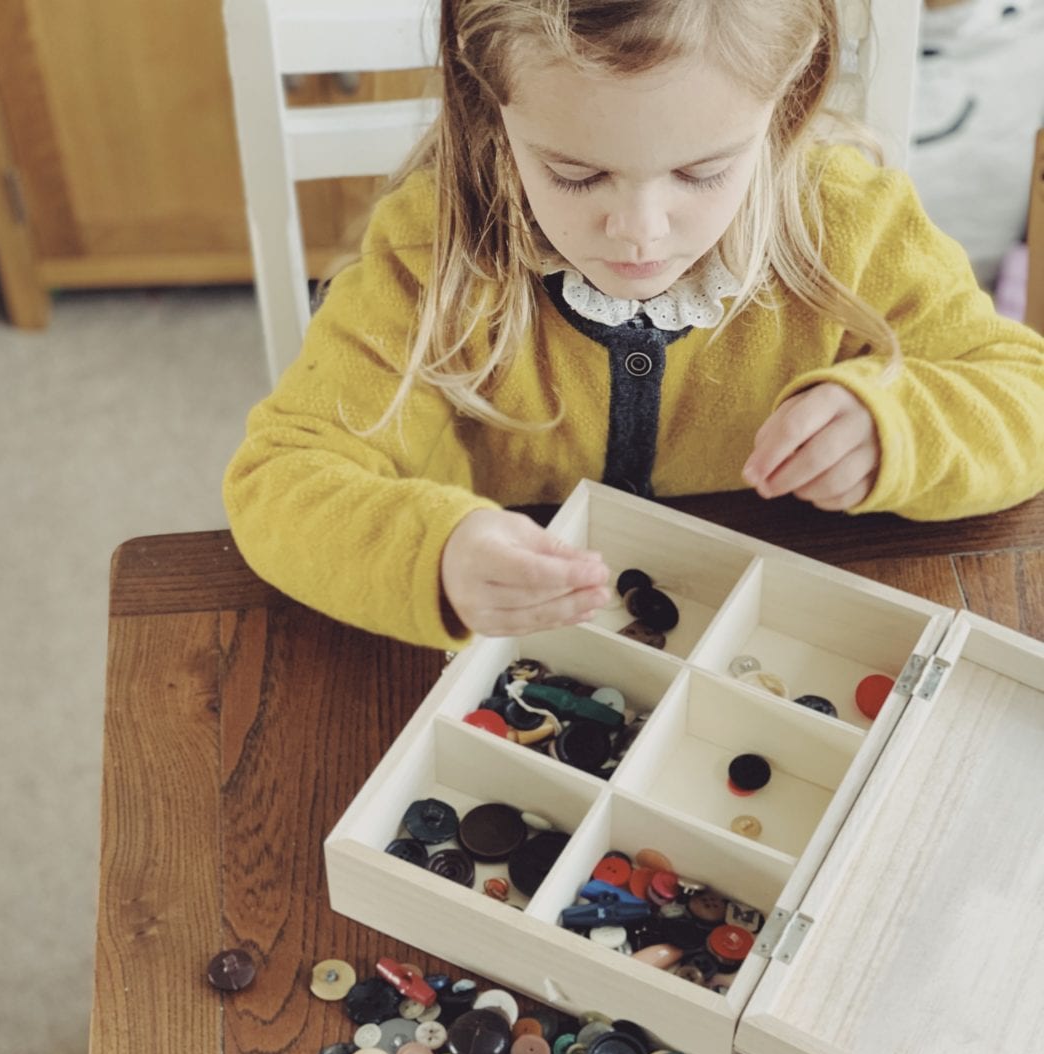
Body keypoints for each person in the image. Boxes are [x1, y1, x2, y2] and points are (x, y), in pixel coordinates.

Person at [223, 0, 1044, 651]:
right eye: (576, 175)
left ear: (789, 99)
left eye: (703, 171)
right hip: (517, 661)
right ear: (488, 103)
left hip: (784, 643)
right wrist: (435, 555)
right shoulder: (431, 253)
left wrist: (895, 424)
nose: (642, 232)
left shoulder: (851, 223)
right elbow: (280, 479)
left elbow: (1023, 396)